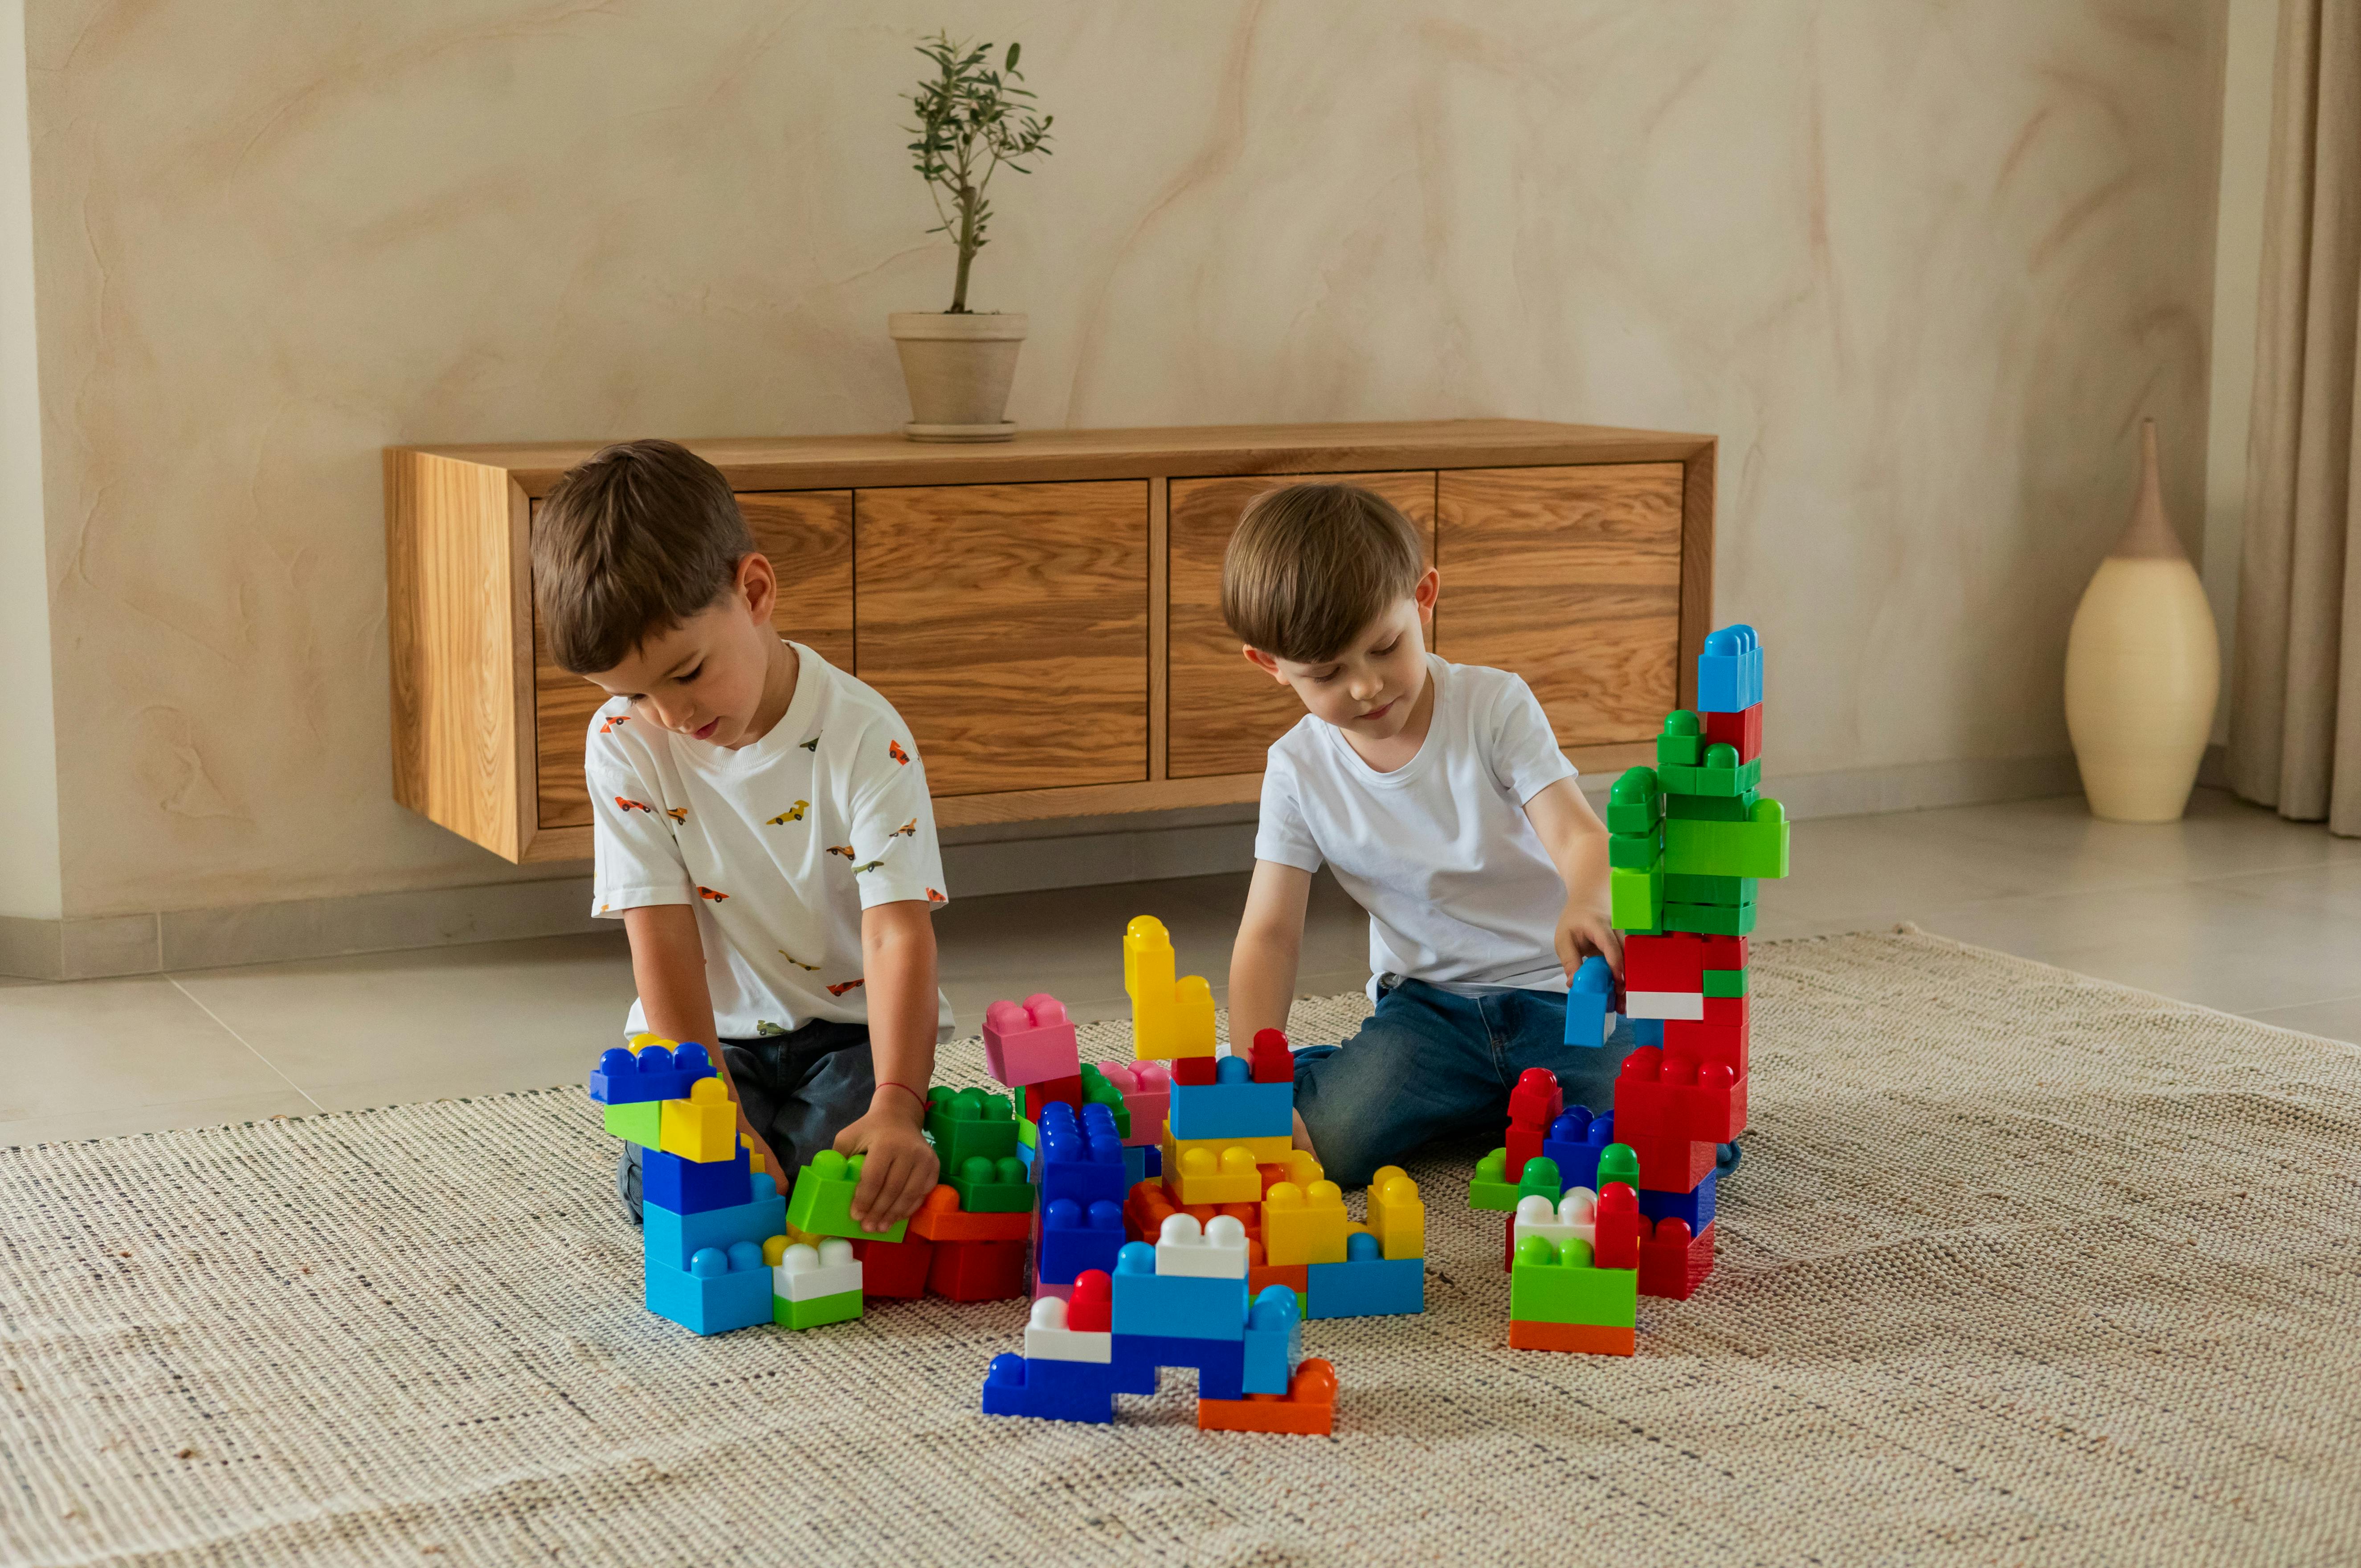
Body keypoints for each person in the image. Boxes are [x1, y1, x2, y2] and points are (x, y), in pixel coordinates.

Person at [533, 439, 944, 1231]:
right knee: (667, 1193)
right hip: (712, 1042)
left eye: (686, 674)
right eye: (633, 693)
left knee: (848, 1176)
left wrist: (898, 1104)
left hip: (847, 1035)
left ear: (754, 591)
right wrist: (714, 1104)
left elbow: (898, 934)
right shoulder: (624, 739)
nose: (669, 716)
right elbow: (661, 936)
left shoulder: (865, 736)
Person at [1219, 482, 1649, 1187]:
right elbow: (1269, 934)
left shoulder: (1493, 706)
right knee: (1326, 1147)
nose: (1364, 688)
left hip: (1555, 996)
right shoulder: (1297, 769)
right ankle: (1414, 1088)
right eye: (1326, 673)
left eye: (1385, 648)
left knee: (1647, 1144)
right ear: (1270, 664)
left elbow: (1579, 836)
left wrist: (1587, 903)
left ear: (1423, 599)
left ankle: (1481, 1104)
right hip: (1427, 1014)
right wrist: (1253, 1080)